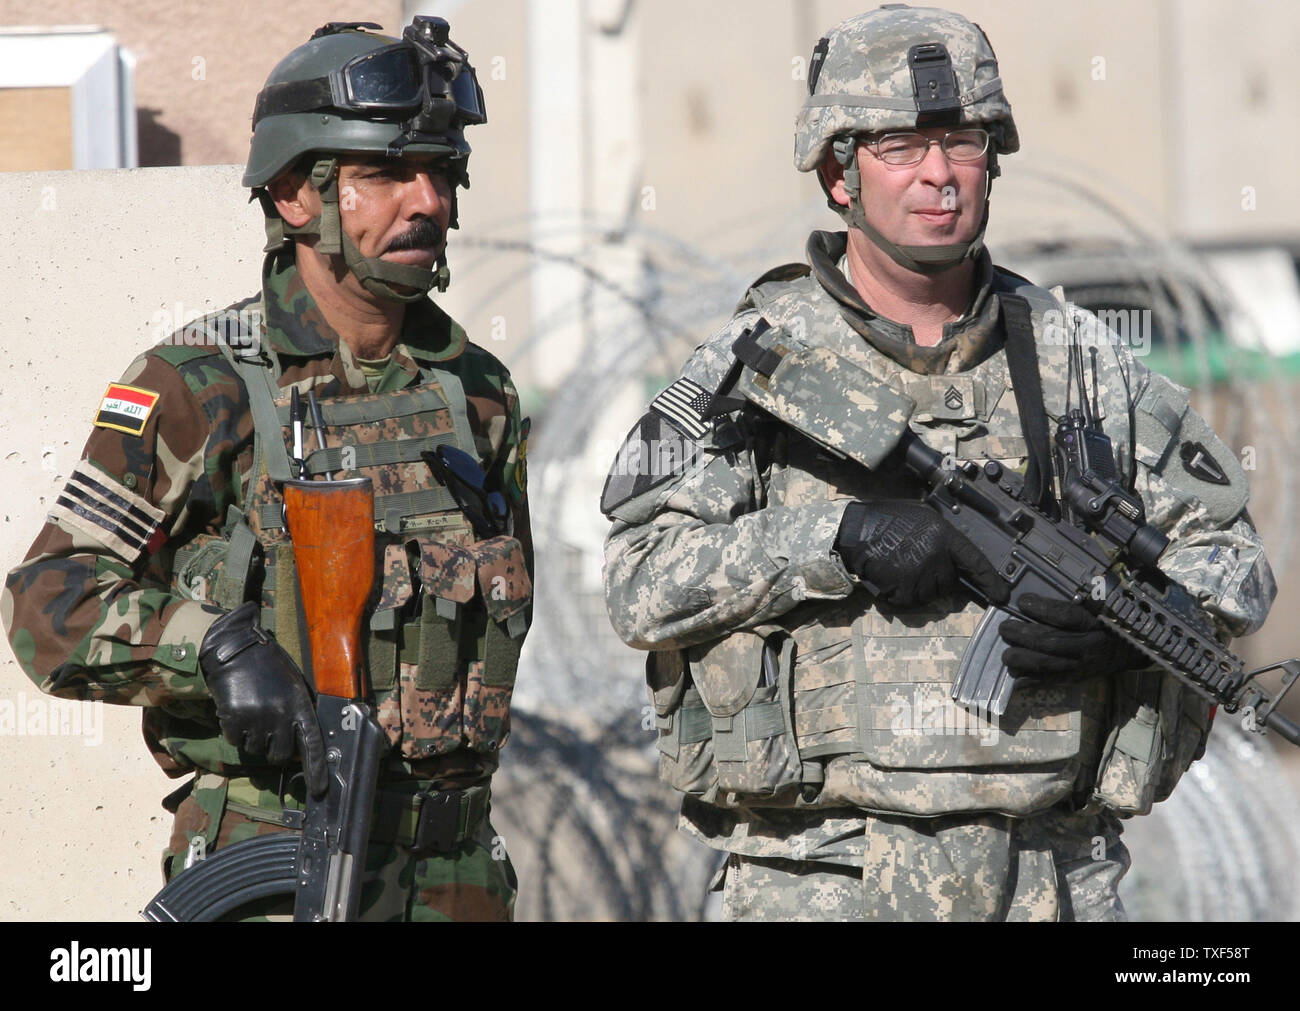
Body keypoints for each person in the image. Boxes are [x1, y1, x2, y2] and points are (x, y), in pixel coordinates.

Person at [600, 4, 1275, 921]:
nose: (938, 175)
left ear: (992, 157)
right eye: (897, 148)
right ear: (838, 173)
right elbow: (640, 580)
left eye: (961, 141)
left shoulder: (1082, 362)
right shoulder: (757, 366)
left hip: (1051, 873)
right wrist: (834, 536)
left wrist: (1128, 622)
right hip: (817, 877)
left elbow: (1234, 563)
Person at [2, 18, 531, 921]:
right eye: (385, 174)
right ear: (295, 195)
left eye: (440, 171)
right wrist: (211, 644)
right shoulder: (200, 383)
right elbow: (48, 601)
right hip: (277, 855)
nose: (428, 200)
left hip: (458, 878)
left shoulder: (477, 389)